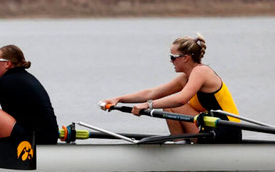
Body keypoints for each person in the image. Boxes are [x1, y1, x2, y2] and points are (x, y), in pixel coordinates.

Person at [99, 34, 241, 143]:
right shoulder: (186, 77)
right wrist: (119, 99)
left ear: (185, 58)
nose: (170, 61)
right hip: (210, 128)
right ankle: (180, 144)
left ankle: (180, 146)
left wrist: (148, 105)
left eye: (173, 57)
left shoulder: (201, 72)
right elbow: (152, 93)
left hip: (227, 131)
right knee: (168, 106)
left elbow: (180, 100)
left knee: (174, 106)